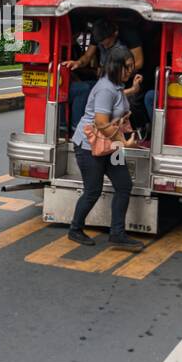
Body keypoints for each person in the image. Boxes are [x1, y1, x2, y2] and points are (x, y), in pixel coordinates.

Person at [68, 47, 144, 252]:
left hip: (111, 146)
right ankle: (75, 229)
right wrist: (124, 142)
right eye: (127, 67)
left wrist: (133, 90)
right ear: (116, 66)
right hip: (89, 146)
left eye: (132, 67)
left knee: (124, 185)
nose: (129, 71)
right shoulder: (105, 88)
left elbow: (115, 98)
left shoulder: (116, 86)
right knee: (93, 191)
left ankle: (117, 234)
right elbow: (101, 123)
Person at [66, 17, 143, 130]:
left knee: (132, 102)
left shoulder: (128, 36)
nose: (104, 46)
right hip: (107, 80)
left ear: (115, 33)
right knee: (86, 90)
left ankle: (140, 128)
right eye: (101, 44)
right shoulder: (98, 36)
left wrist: (118, 71)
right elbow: (87, 57)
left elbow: (139, 62)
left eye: (106, 43)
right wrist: (78, 63)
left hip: (123, 79)